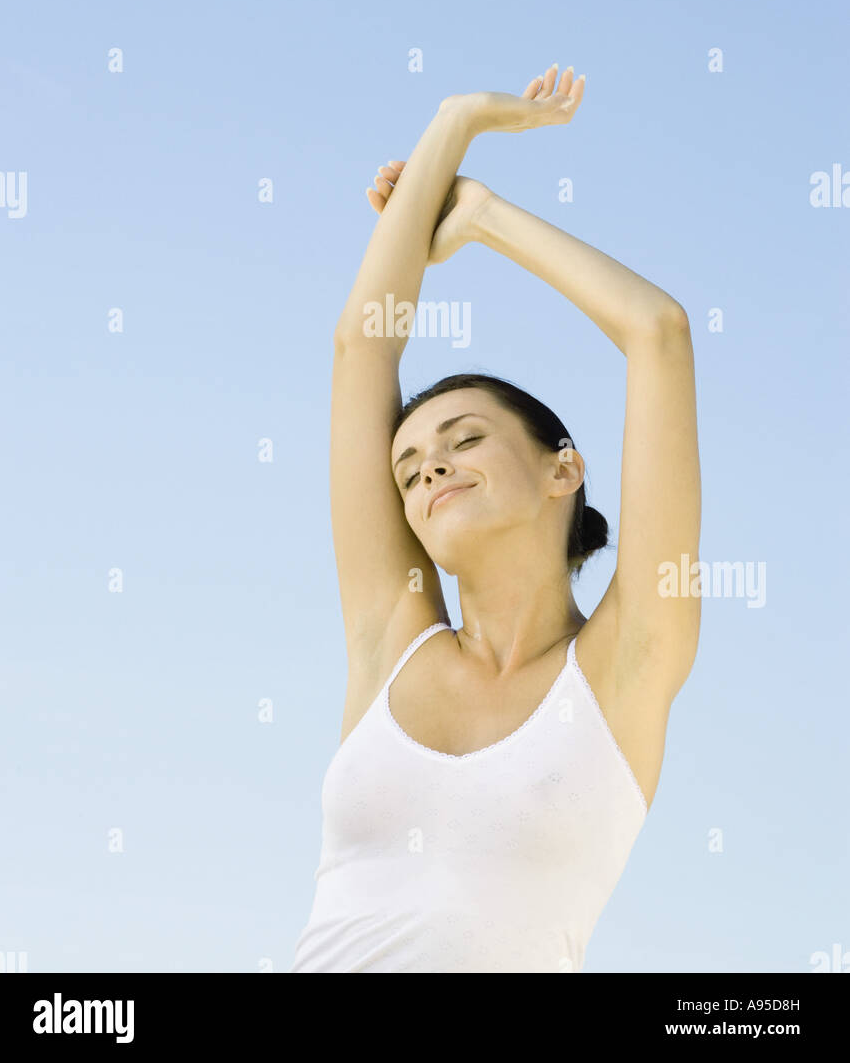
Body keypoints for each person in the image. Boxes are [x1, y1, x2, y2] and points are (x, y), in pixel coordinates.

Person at [290, 63, 701, 973]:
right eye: (406, 467)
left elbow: (657, 332)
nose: (428, 462)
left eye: (465, 438)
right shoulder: (391, 636)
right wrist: (456, 123)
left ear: (564, 470)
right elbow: (362, 345)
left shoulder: (627, 664)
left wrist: (480, 216)